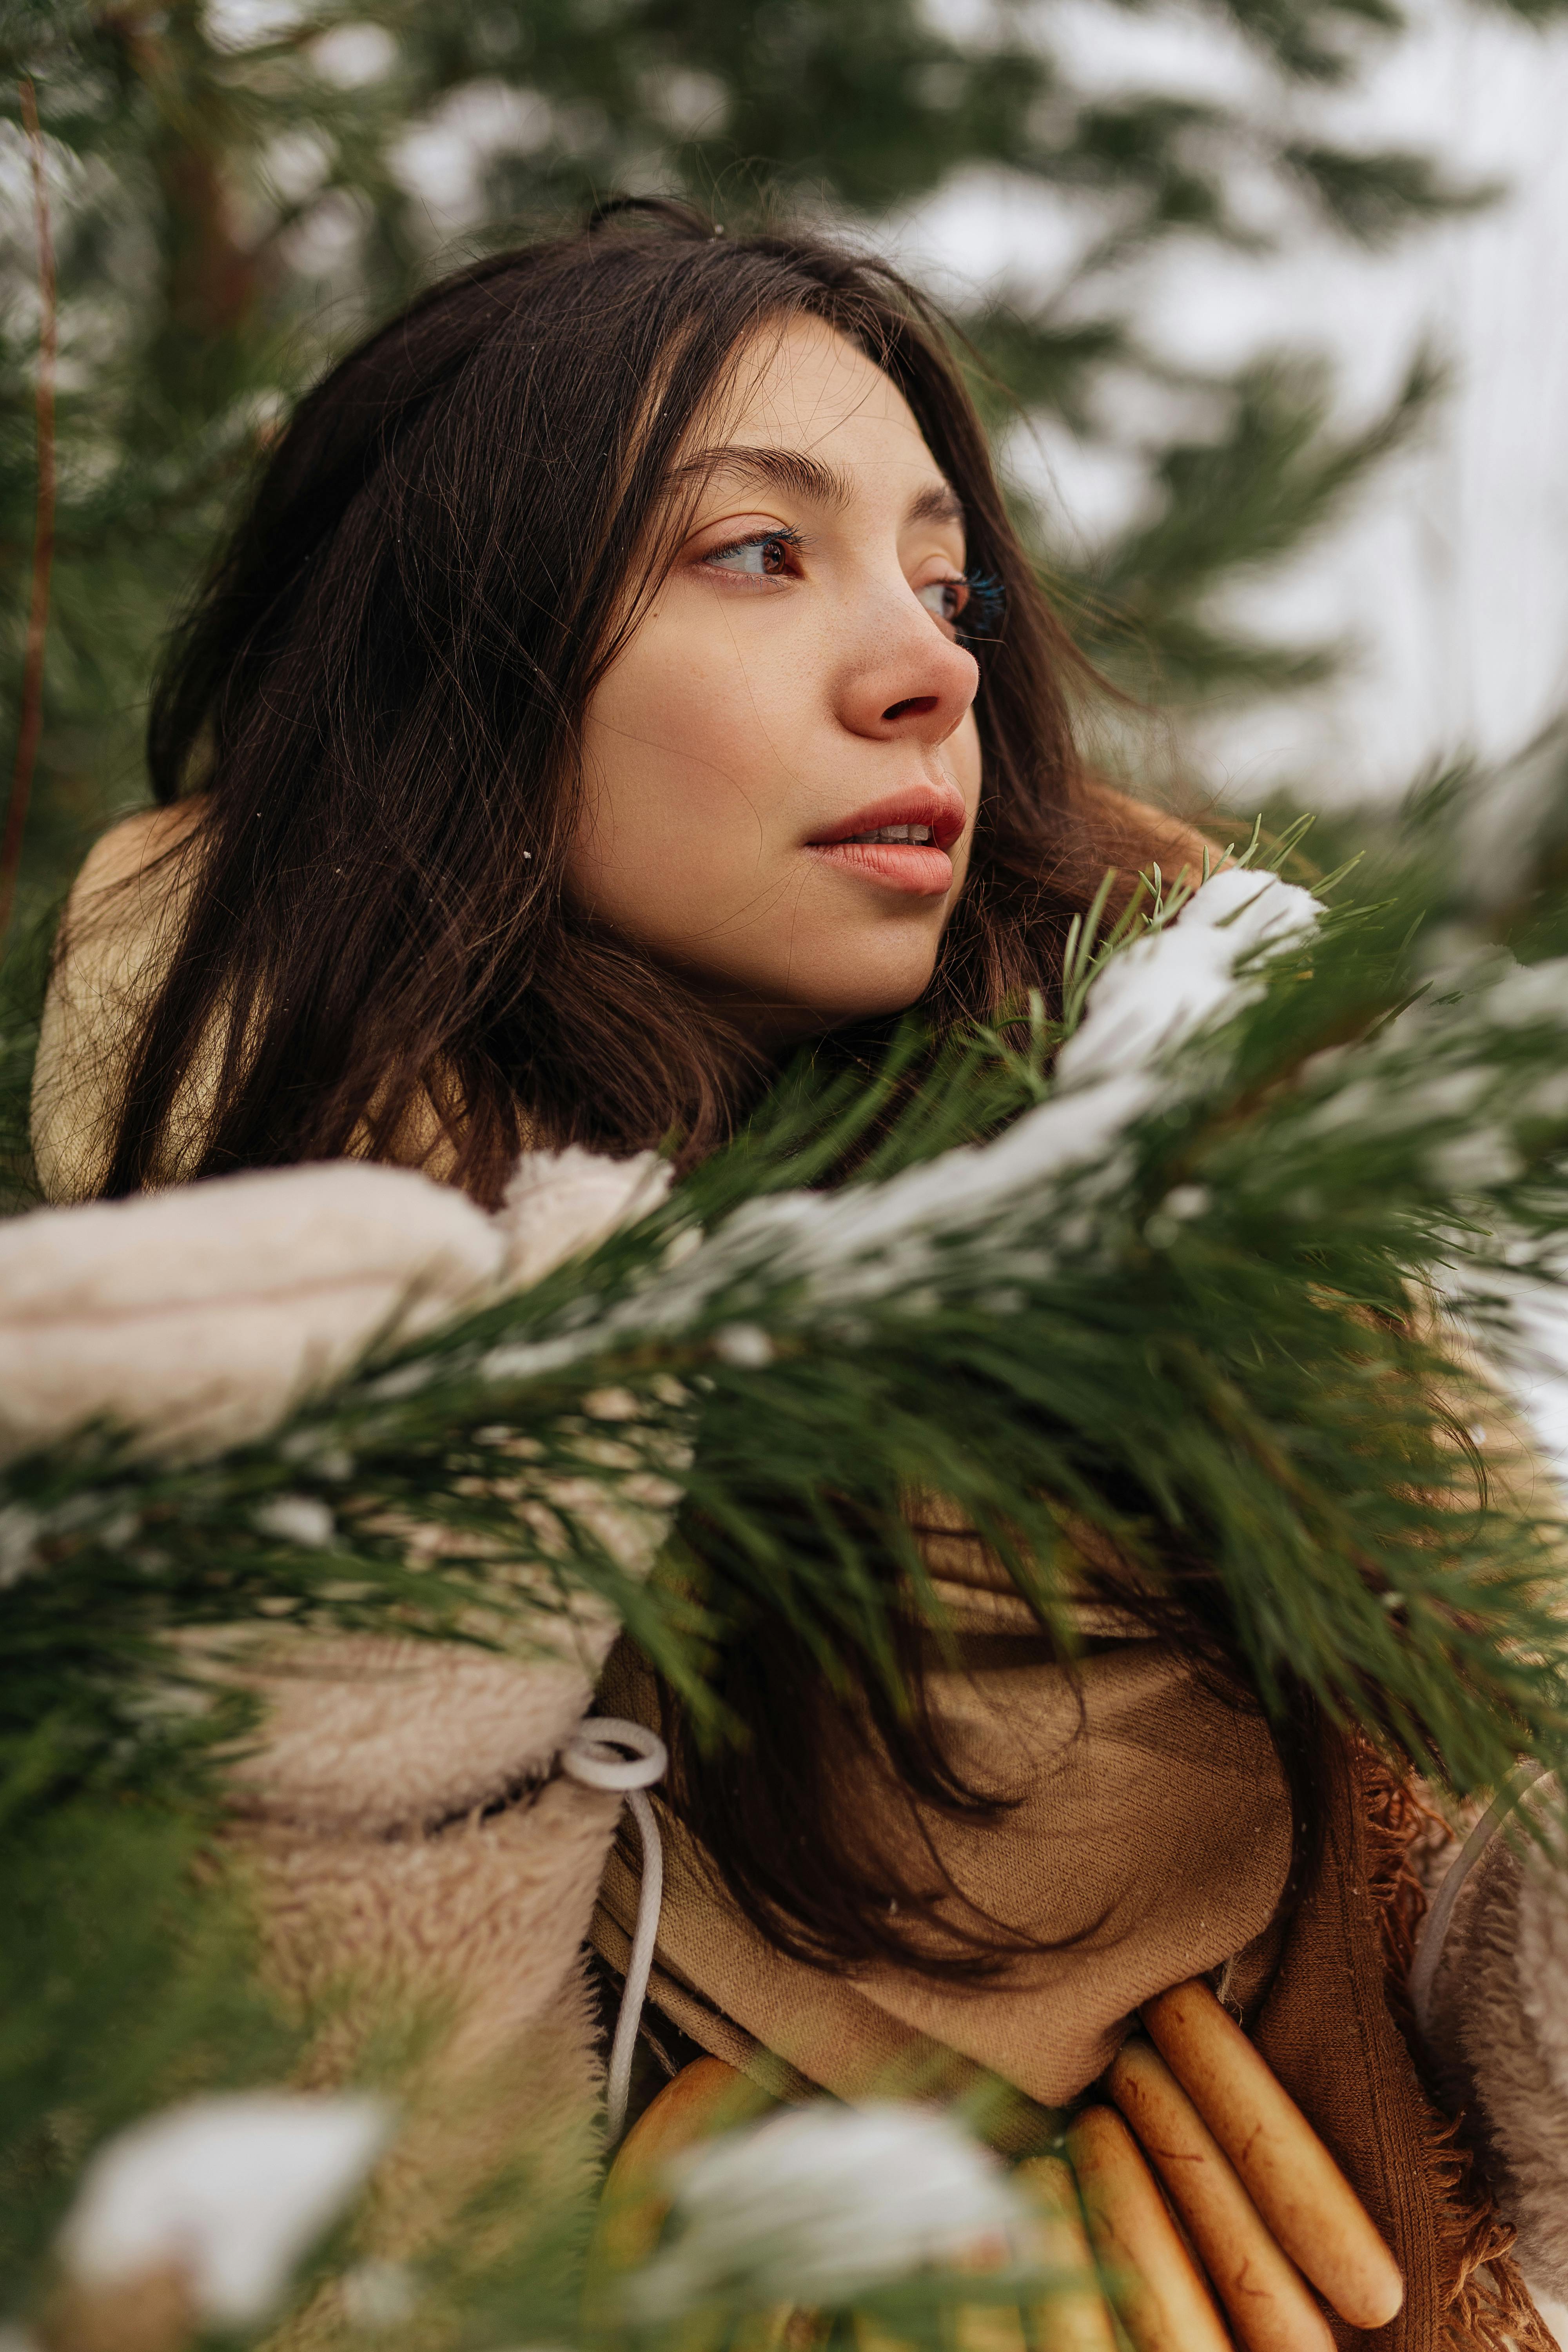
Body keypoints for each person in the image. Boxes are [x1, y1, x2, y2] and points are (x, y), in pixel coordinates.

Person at [28, 201, 1568, 2343]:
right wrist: (413, 1658)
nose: (933, 660)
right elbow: (290, 2266)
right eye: (758, 551)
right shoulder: (199, 1388)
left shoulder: (1204, 1239)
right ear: (455, 654)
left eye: (954, 581)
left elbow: (1518, 2078)